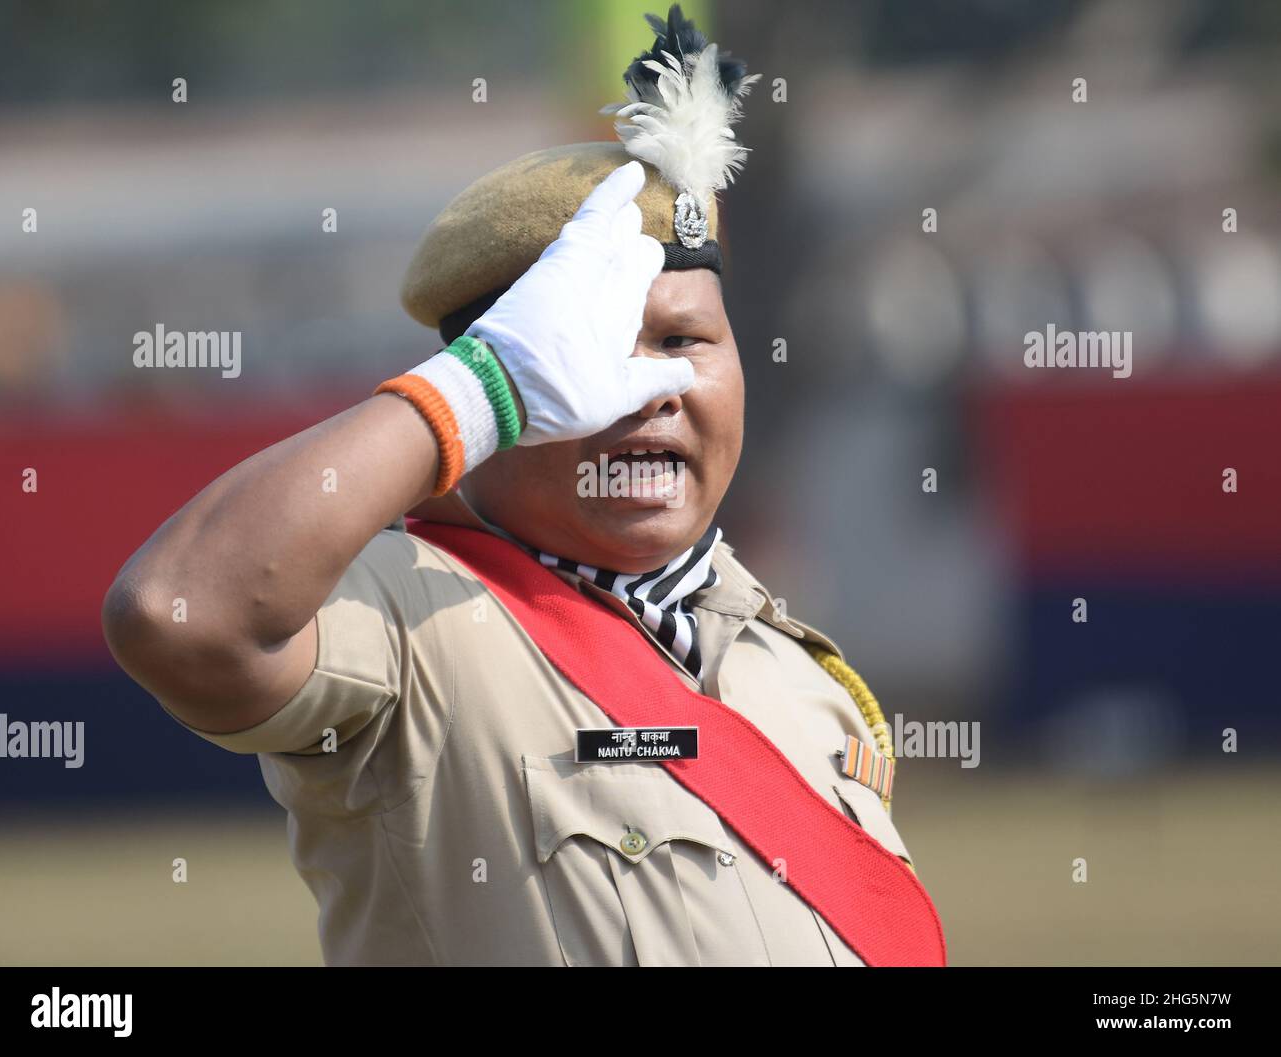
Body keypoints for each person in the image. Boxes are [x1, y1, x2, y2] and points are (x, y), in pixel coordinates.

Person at [102, 5, 944, 967]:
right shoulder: (417, 623)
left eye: (682, 342)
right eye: (589, 360)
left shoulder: (798, 675)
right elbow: (175, 614)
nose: (649, 393)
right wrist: (477, 392)